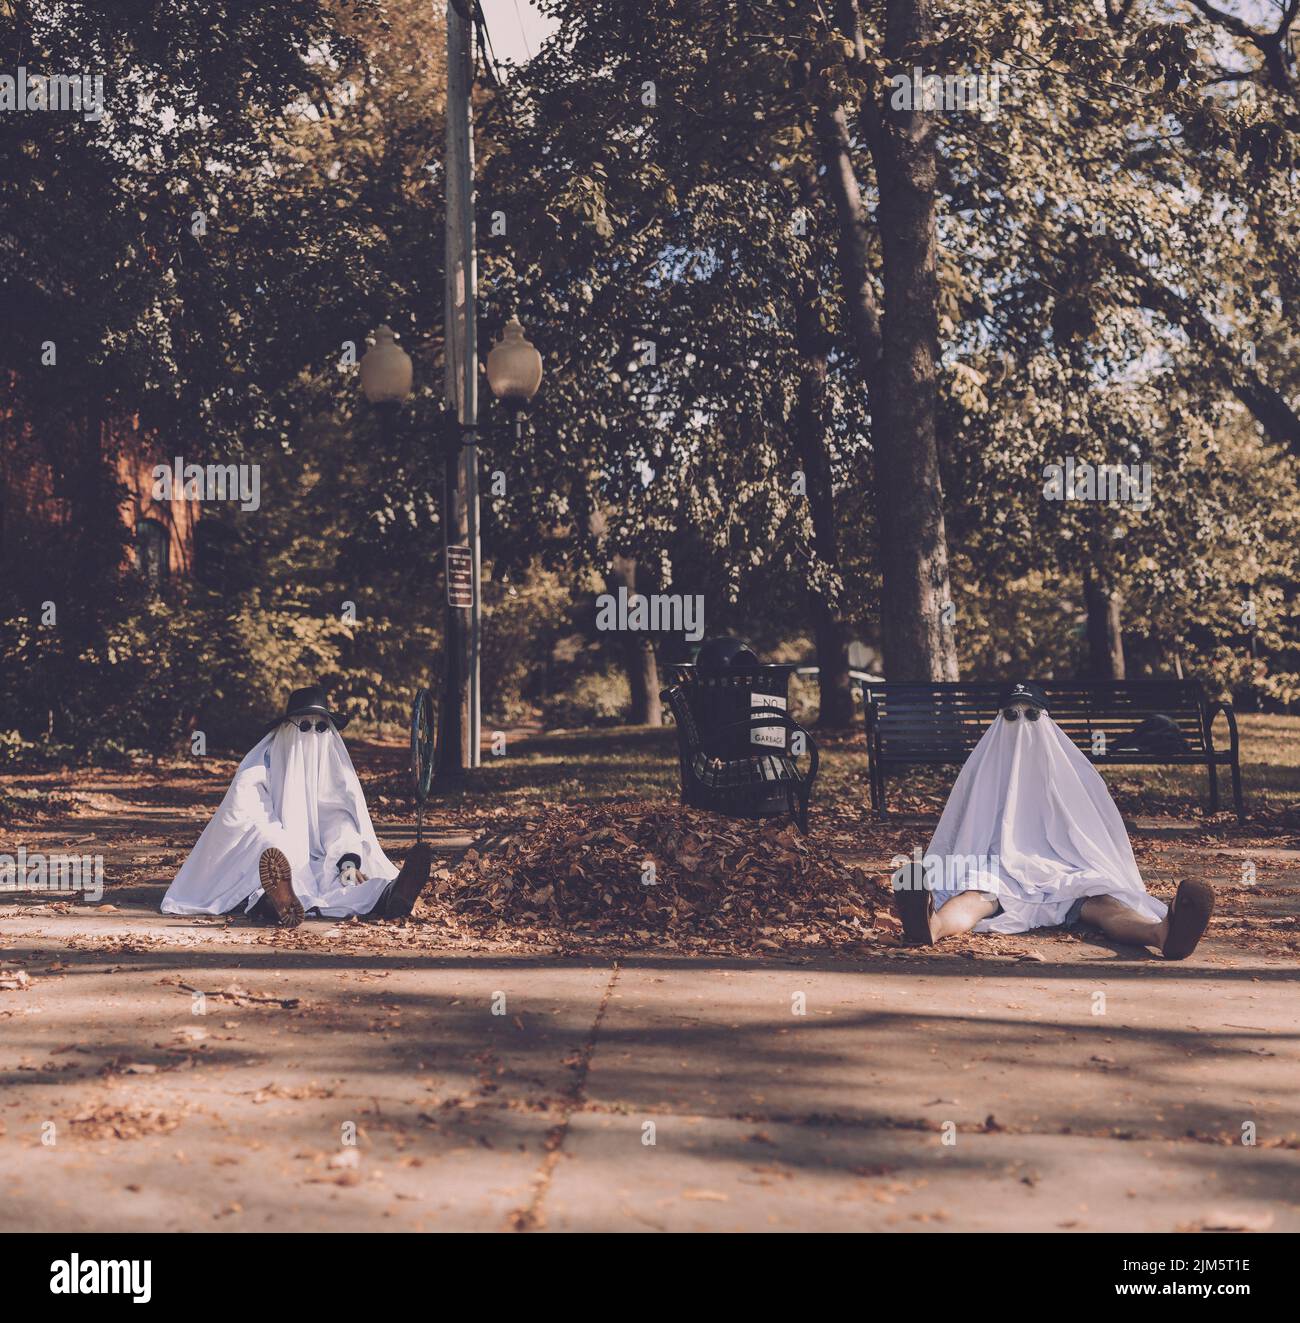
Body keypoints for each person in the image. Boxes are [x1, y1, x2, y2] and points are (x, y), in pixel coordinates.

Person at [891, 681, 1214, 959]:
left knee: (1106, 904)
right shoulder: (984, 770)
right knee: (973, 899)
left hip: (1069, 875)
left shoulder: (1069, 773)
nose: (1021, 723)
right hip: (999, 876)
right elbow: (964, 830)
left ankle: (1162, 934)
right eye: (1011, 716)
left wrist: (1096, 871)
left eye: (1031, 715)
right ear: (999, 720)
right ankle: (931, 925)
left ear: (1045, 719)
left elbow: (1095, 832)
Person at [161, 684, 431, 927]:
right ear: (288, 727)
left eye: (321, 727)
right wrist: (283, 848)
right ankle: (275, 901)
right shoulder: (260, 764)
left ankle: (392, 895)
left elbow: (339, 817)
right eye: (304, 726)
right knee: (278, 874)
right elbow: (244, 816)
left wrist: (347, 859)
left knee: (341, 882)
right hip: (276, 860)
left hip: (319, 859)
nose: (313, 735)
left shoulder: (330, 767)